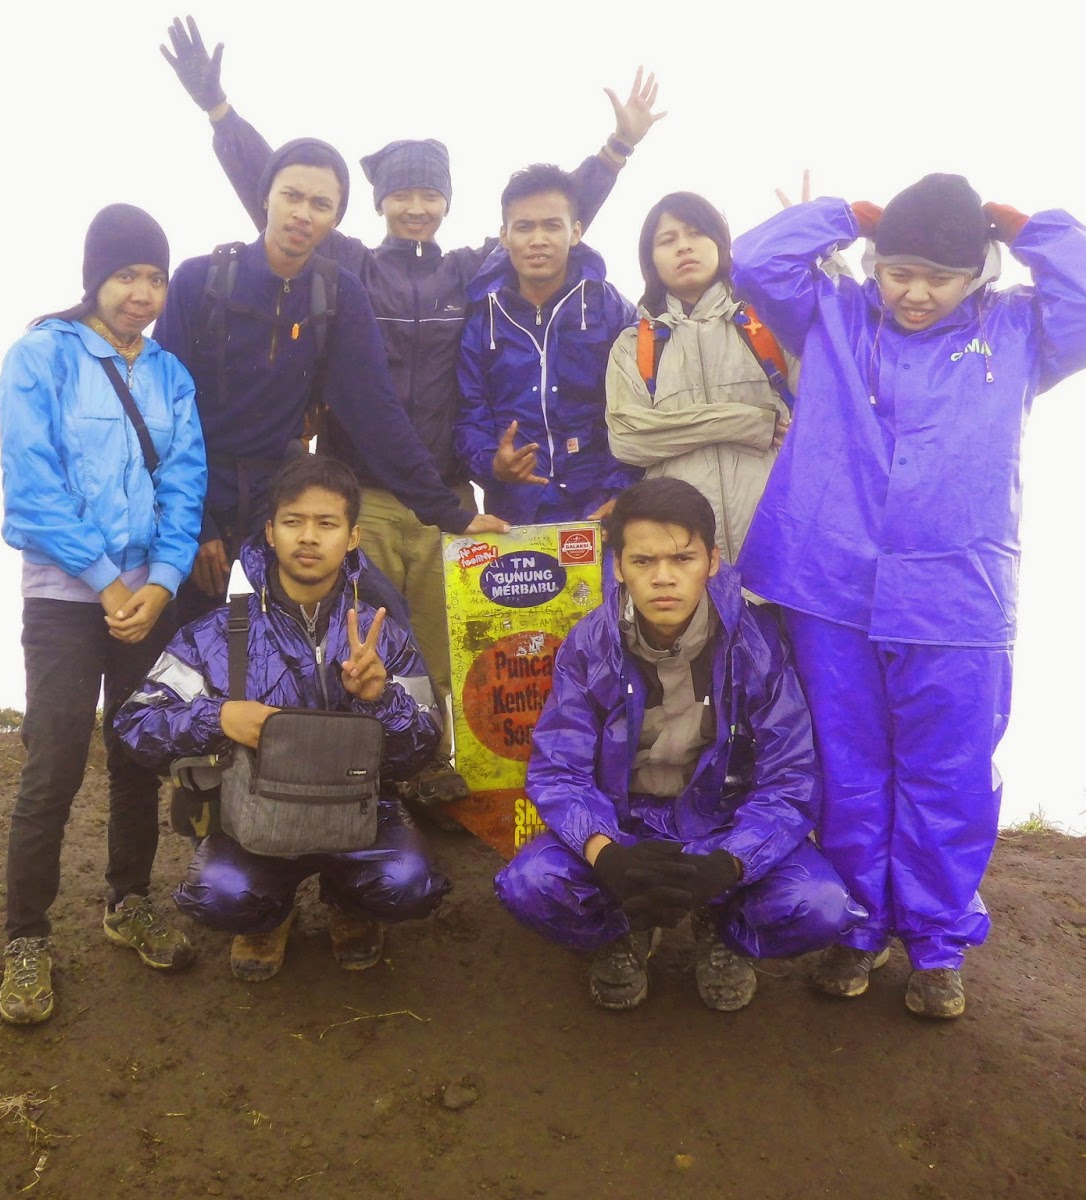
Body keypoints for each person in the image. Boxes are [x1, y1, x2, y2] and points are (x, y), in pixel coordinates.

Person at [160, 13, 663, 809]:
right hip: (354, 491)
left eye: (431, 193)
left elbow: (550, 228)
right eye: (402, 192)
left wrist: (615, 151)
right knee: (348, 642)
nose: (416, 206)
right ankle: (340, 781)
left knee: (442, 650)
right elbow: (279, 191)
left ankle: (434, 778)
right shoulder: (350, 267)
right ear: (381, 202)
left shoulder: (472, 272)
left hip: (441, 501)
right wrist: (222, 115)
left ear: (449, 205)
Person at [731, 174, 1086, 1017]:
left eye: (940, 276)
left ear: (979, 274)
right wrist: (850, 215)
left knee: (947, 776)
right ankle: (856, 925)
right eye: (899, 269)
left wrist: (1029, 227)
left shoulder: (1021, 331)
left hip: (958, 596)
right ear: (875, 265)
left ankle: (938, 941)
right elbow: (755, 258)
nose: (915, 293)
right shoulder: (835, 315)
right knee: (848, 768)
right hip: (831, 585)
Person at [495, 478, 861, 1011]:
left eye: (683, 558)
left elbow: (792, 778)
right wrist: (607, 856)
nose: (663, 579)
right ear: (617, 566)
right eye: (643, 561)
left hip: (723, 826)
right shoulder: (589, 644)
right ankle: (622, 927)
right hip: (622, 827)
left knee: (819, 906)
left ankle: (725, 927)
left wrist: (730, 864)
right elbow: (558, 772)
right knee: (528, 885)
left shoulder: (757, 644)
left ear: (712, 561)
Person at [115, 455, 449, 981]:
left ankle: (350, 902)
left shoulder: (383, 636)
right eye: (293, 522)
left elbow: (422, 749)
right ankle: (270, 914)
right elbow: (135, 724)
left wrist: (379, 699)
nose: (309, 538)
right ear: (270, 533)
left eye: (327, 524)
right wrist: (219, 716)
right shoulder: (217, 634)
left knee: (408, 883)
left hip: (360, 817)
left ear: (353, 536)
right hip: (254, 823)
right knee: (219, 895)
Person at [0, 204, 208, 1025]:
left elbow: (185, 485)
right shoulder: (39, 357)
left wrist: (159, 582)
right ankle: (25, 941)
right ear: (96, 277)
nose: (142, 293)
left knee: (135, 756)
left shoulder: (169, 375)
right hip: (64, 599)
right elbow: (32, 484)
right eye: (127, 276)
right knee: (51, 762)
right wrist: (104, 581)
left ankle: (127, 903)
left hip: (143, 598)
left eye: (155, 278)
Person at [151, 136, 506, 625]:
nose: (303, 213)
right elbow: (161, 415)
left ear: (337, 217)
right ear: (265, 197)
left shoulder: (339, 295)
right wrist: (197, 524)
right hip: (189, 495)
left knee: (370, 623)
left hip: (277, 501)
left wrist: (449, 512)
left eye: (321, 204)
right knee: (177, 650)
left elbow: (375, 412)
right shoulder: (198, 282)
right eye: (291, 196)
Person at [604, 192, 795, 563]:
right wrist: (745, 423)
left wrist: (818, 256)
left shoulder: (770, 322)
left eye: (696, 233)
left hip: (778, 536)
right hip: (681, 550)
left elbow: (840, 365)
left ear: (720, 245)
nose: (684, 247)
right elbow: (627, 439)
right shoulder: (634, 345)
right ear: (650, 259)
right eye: (667, 240)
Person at [456, 165, 639, 525]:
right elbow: (468, 414)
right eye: (524, 227)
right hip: (515, 513)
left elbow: (641, 403)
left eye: (551, 225)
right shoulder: (482, 319)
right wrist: (492, 463)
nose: (537, 239)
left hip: (602, 508)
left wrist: (624, 490)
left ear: (575, 232)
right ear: (504, 236)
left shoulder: (610, 307)